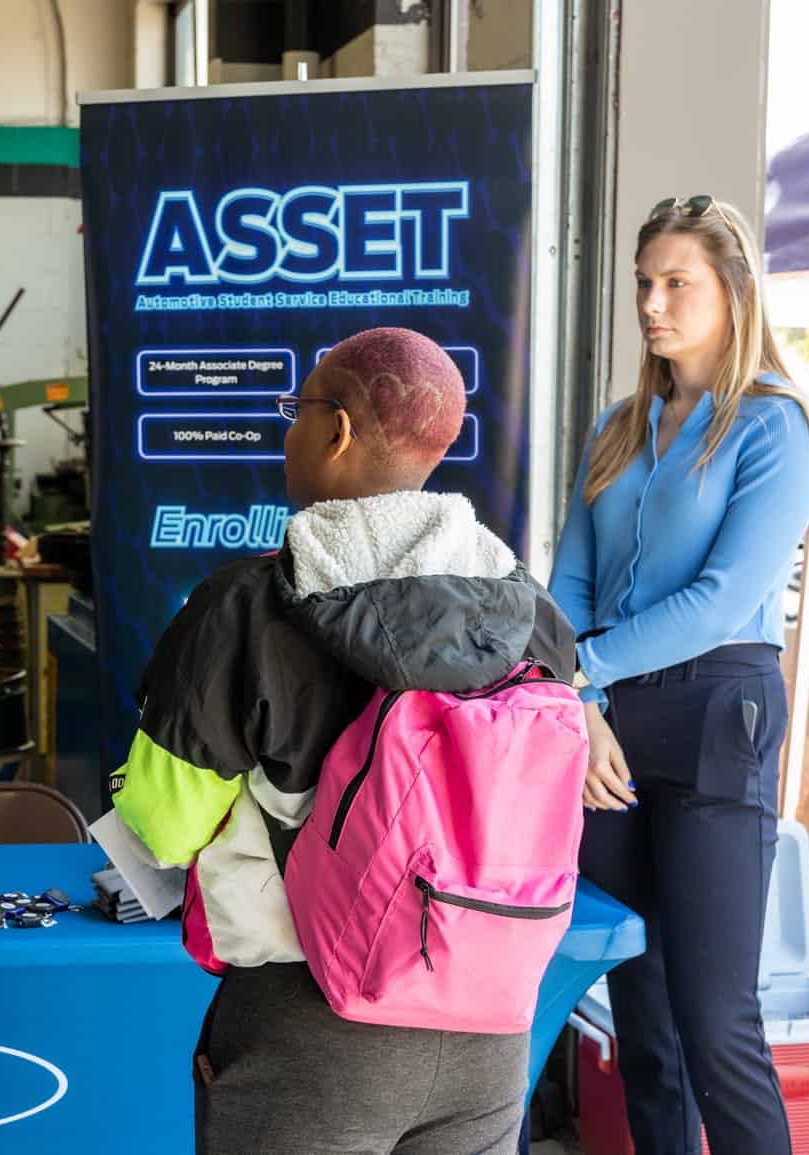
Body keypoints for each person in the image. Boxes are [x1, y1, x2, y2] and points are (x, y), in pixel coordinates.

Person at [107, 327, 576, 1155]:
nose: (289, 430)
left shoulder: (246, 608)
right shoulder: (528, 613)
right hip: (490, 1027)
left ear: (337, 431)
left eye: (298, 409)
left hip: (311, 1022)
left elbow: (162, 824)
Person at [548, 195, 809, 1155]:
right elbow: (571, 577)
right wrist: (578, 703)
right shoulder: (618, 427)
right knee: (647, 1029)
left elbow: (718, 598)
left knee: (716, 1027)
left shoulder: (774, 428)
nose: (653, 304)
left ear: (734, 291)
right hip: (609, 725)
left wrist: (580, 670)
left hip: (719, 711)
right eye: (644, 284)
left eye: (678, 283)